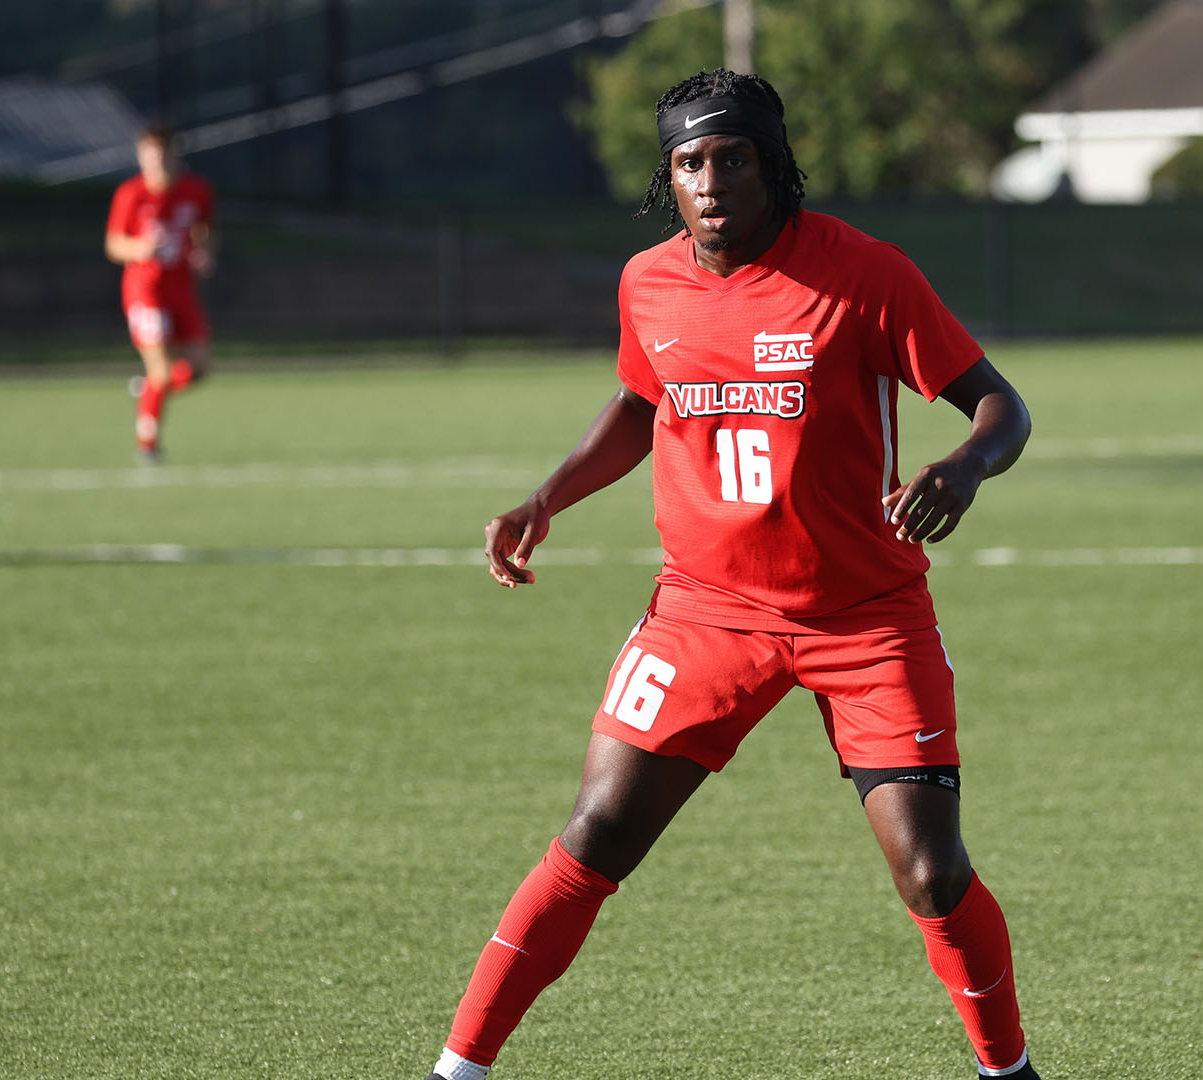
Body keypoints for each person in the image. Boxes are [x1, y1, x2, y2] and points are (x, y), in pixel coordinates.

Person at [426, 70, 1040, 1080]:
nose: (711, 181)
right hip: (706, 613)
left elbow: (1000, 406)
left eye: (733, 158)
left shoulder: (865, 275)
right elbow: (639, 404)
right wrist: (547, 498)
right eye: (689, 162)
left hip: (865, 615)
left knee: (931, 872)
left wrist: (966, 465)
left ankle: (1008, 1072)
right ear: (667, 175)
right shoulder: (647, 281)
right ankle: (458, 1070)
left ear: (774, 165)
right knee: (595, 832)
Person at [104, 124, 216, 464]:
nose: (157, 161)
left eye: (163, 153)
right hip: (145, 290)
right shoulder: (131, 194)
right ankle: (147, 443)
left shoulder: (197, 191)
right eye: (149, 155)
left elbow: (206, 231)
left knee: (199, 368)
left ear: (174, 154)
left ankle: (150, 389)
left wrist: (205, 251)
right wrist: (140, 247)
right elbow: (113, 245)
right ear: (141, 157)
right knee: (163, 370)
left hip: (181, 288)